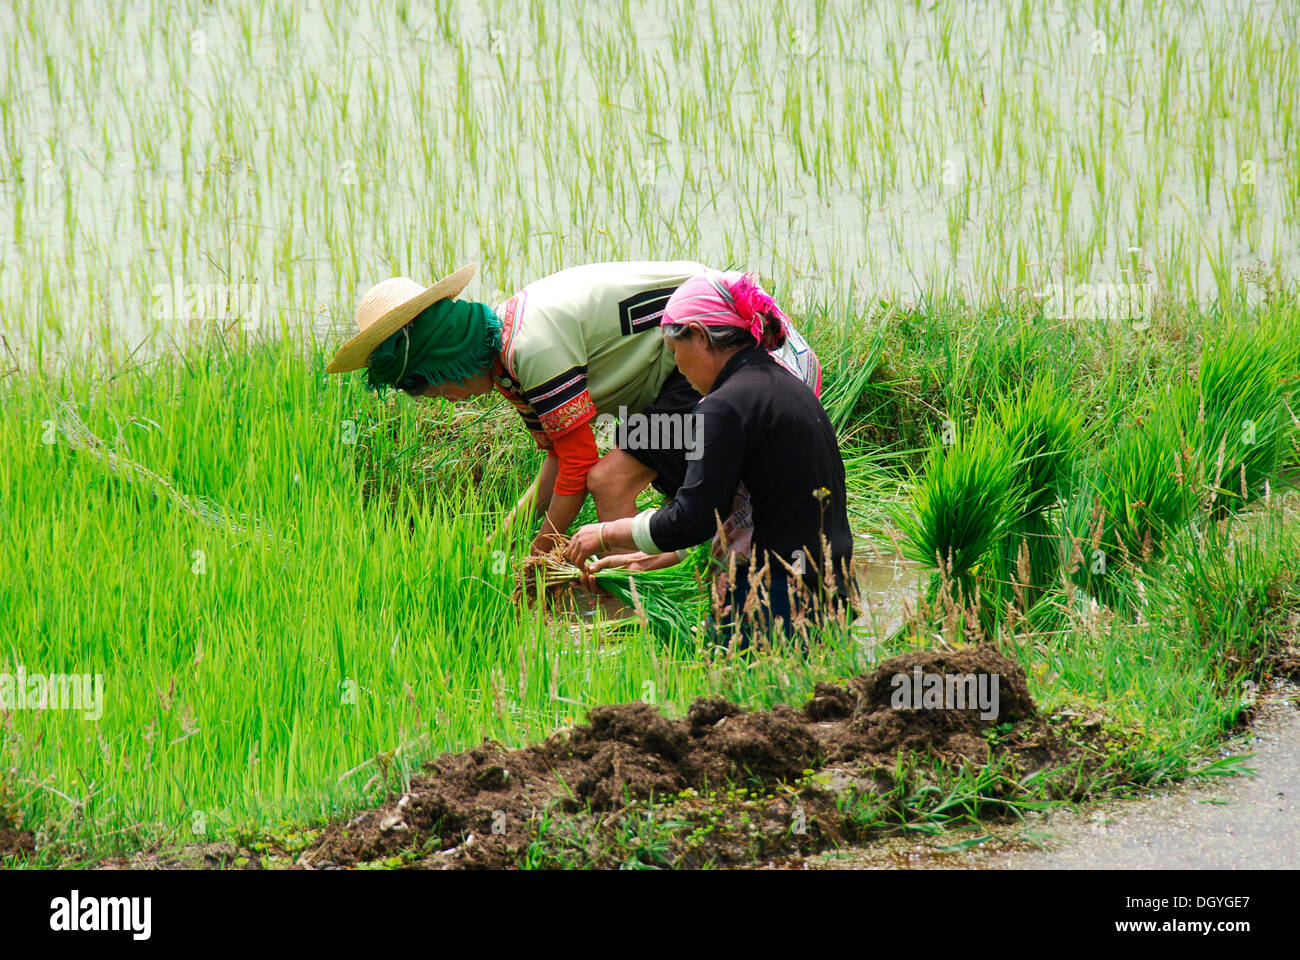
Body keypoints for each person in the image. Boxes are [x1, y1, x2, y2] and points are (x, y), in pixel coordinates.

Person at [326, 261, 822, 558]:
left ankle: (633, 606)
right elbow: (559, 460)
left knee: (610, 479)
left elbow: (581, 466)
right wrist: (501, 545)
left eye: (431, 390)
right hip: (681, 372)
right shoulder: (506, 353)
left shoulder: (531, 347)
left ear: (444, 366)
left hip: (725, 351)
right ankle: (654, 572)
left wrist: (539, 561)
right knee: (636, 478)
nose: (444, 401)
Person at [566, 270, 854, 646]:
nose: (679, 370)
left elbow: (692, 518)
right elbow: (746, 510)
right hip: (829, 596)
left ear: (700, 335)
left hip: (772, 603)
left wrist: (604, 534)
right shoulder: (788, 387)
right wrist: (641, 558)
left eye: (674, 353)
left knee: (733, 700)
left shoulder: (721, 407)